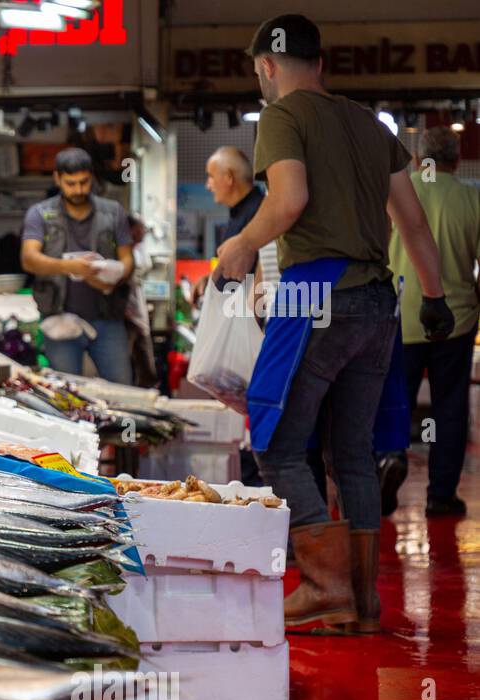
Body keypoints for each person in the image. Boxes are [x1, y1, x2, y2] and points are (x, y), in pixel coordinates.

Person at [214, 14, 452, 634]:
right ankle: (362, 604)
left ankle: (323, 588)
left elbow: (288, 201)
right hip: (380, 300)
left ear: (266, 66)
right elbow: (414, 224)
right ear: (320, 62)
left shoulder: (282, 117)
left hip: (313, 293)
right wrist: (433, 297)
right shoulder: (372, 126)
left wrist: (240, 245)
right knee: (352, 451)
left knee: (274, 441)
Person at [382, 127, 480, 518]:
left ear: (420, 160)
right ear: (457, 160)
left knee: (394, 403)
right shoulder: (471, 198)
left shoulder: (399, 191)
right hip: (455, 320)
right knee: (448, 408)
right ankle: (441, 495)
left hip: (401, 318)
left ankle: (390, 462)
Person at [20, 147, 134, 384]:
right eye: (71, 183)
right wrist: (70, 267)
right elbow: (29, 258)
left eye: (83, 182)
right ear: (57, 178)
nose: (78, 190)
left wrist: (111, 278)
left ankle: (125, 424)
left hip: (108, 319)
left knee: (123, 390)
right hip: (60, 320)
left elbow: (128, 261)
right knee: (66, 392)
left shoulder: (113, 213)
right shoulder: (40, 214)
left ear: (91, 176)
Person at [192, 147, 265, 306]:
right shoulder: (239, 213)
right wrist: (209, 280)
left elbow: (263, 270)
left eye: (211, 176)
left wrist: (251, 314)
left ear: (229, 177)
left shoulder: (260, 213)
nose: (208, 185)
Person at [126, 213, 158, 387]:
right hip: (124, 313)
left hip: (138, 307)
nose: (143, 233)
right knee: (126, 360)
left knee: (144, 353)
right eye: (140, 229)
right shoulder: (122, 250)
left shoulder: (140, 249)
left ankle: (149, 387)